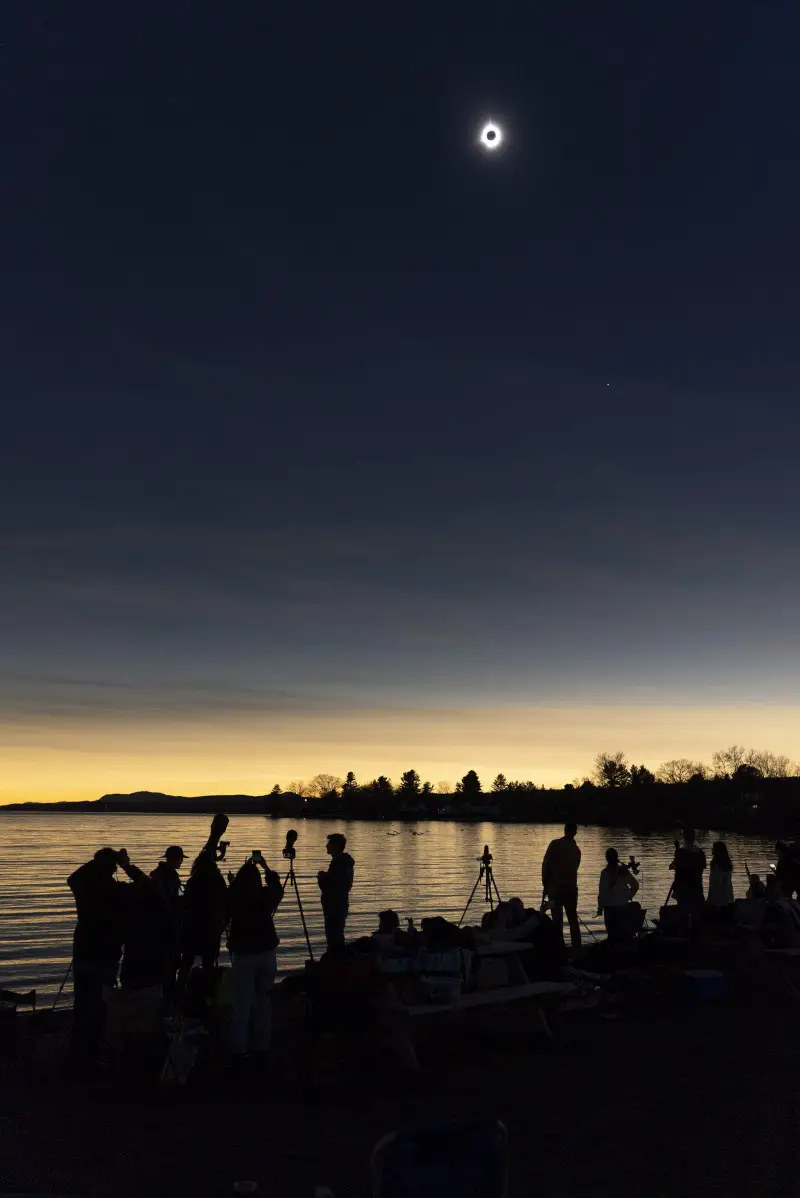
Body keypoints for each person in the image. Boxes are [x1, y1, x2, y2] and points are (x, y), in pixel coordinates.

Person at [66, 847, 146, 1068]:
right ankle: (90, 1058)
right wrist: (126, 865)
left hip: (84, 952)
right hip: (105, 956)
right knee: (99, 1008)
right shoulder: (117, 891)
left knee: (82, 1006)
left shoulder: (85, 888)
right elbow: (145, 888)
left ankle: (78, 1057)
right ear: (112, 868)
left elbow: (73, 878)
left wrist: (98, 861)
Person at [228, 853, 284, 1062]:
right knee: (263, 1004)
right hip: (267, 955)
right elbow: (278, 889)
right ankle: (262, 1046)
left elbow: (227, 905)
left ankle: (239, 1050)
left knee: (241, 1006)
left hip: (245, 956)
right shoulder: (265, 896)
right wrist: (265, 867)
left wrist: (233, 883)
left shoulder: (235, 897)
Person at [176, 814, 231, 998]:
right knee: (207, 963)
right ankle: (208, 995)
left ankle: (180, 995)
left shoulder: (196, 881)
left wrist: (216, 841)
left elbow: (208, 856)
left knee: (187, 962)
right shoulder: (215, 881)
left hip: (194, 928)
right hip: (209, 929)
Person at [150, 846, 185, 1009]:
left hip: (164, 928)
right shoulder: (167, 877)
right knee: (168, 966)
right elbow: (169, 903)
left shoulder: (159, 875)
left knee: (168, 965)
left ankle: (165, 998)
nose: (181, 861)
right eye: (180, 858)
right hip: (167, 928)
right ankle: (166, 1001)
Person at [541, 822, 582, 951]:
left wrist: (545, 886)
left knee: (557, 920)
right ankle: (577, 948)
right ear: (575, 832)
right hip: (570, 889)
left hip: (555, 889)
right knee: (573, 920)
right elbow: (575, 868)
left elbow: (545, 866)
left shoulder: (554, 845)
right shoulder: (577, 850)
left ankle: (559, 948)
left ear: (565, 831)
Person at [317, 833, 355, 950]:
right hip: (340, 905)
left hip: (334, 906)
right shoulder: (343, 863)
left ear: (336, 845)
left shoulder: (339, 864)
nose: (326, 846)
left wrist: (322, 878)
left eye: (329, 843)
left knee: (333, 938)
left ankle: (335, 962)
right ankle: (337, 961)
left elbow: (331, 887)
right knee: (337, 936)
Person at [597, 848, 641, 939]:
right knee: (624, 935)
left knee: (612, 936)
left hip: (610, 909)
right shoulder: (624, 872)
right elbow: (635, 885)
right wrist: (628, 896)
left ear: (606, 858)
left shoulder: (604, 873)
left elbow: (602, 893)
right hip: (624, 907)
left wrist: (600, 908)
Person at [669, 828, 707, 912]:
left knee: (683, 912)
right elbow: (703, 866)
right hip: (697, 887)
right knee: (696, 912)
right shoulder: (700, 853)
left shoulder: (681, 852)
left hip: (683, 888)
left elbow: (674, 867)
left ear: (684, 838)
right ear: (694, 838)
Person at [707, 841, 734, 910]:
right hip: (728, 898)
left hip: (717, 901)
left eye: (713, 848)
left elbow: (714, 884)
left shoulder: (716, 866)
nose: (711, 849)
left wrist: (709, 899)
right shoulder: (728, 866)